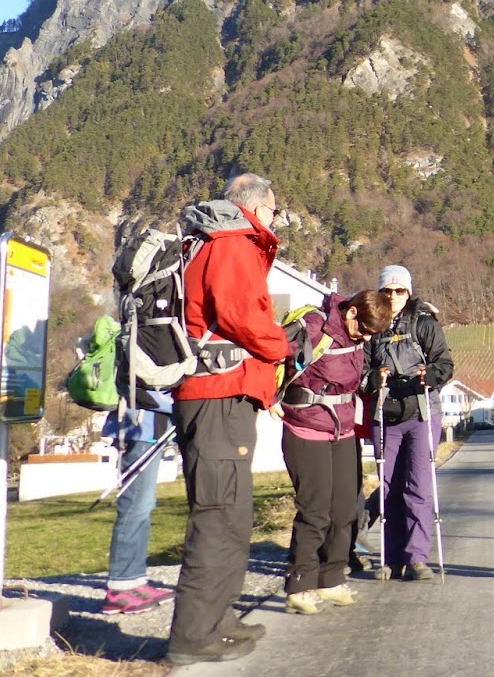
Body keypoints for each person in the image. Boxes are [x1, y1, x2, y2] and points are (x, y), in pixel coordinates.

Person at [166, 174, 292, 666]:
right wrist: (283, 345)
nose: (275, 221)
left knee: (231, 513)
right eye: (275, 212)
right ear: (257, 208)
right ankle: (192, 634)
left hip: (215, 395)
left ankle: (218, 619)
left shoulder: (206, 243)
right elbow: (246, 317)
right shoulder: (233, 245)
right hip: (218, 395)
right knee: (219, 515)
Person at [276, 290, 392, 614]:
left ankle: (333, 577)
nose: (367, 338)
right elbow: (273, 354)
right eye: (364, 330)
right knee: (316, 510)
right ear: (352, 312)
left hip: (343, 429)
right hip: (305, 428)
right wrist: (267, 398)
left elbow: (356, 380)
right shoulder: (315, 326)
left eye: (373, 334)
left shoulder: (361, 337)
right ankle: (300, 584)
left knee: (344, 508)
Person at [366, 264, 453, 581]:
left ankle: (417, 558)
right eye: (387, 291)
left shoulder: (425, 324)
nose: (393, 296)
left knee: (418, 487)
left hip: (421, 412)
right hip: (385, 416)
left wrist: (429, 376)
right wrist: (373, 378)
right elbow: (360, 372)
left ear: (409, 292)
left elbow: (445, 364)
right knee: (387, 488)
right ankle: (391, 558)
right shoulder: (372, 326)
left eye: (399, 290)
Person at [101, 390, 174, 615]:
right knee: (134, 506)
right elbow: (144, 390)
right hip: (138, 428)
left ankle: (133, 581)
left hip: (147, 429)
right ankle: (120, 586)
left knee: (143, 505)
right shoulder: (138, 354)